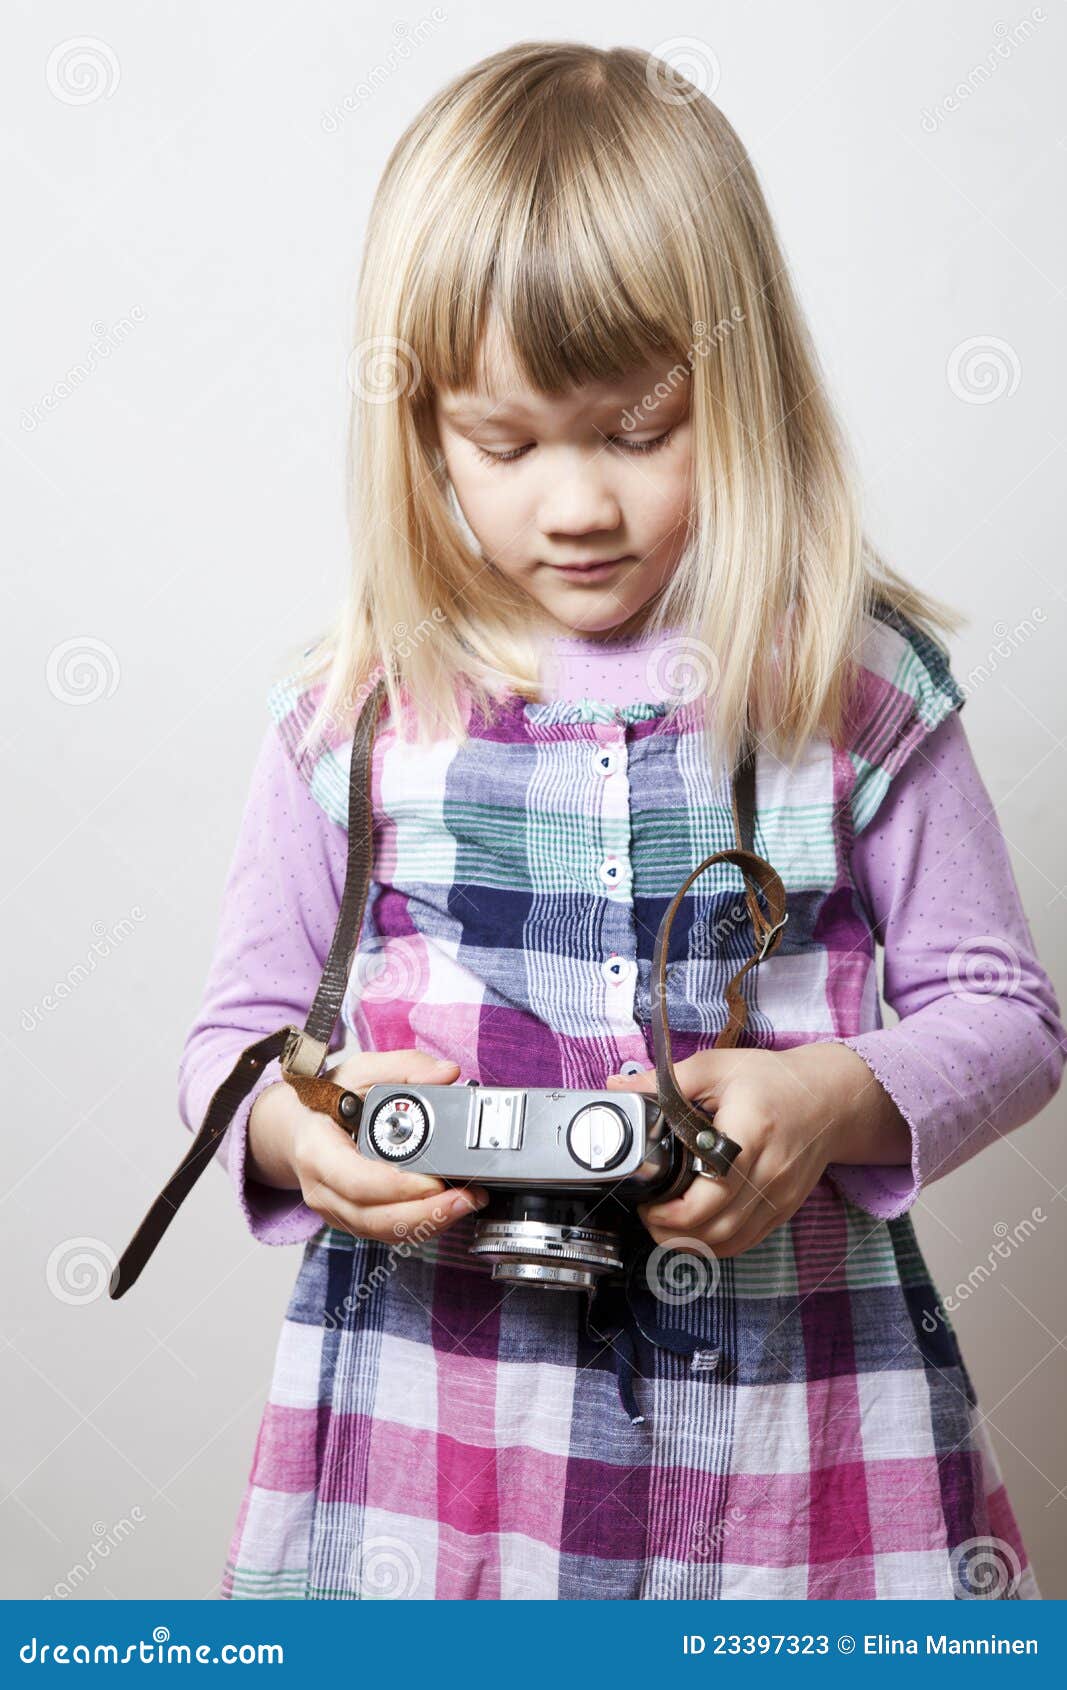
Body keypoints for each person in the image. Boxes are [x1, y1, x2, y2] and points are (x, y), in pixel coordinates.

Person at [177, 43, 1065, 1600]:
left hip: (795, 1420)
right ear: (421, 427)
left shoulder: (846, 684)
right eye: (503, 444)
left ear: (743, 386)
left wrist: (833, 1100)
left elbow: (1011, 1014)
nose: (574, 503)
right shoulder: (358, 704)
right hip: (432, 1427)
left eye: (639, 428)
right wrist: (301, 1136)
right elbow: (237, 1036)